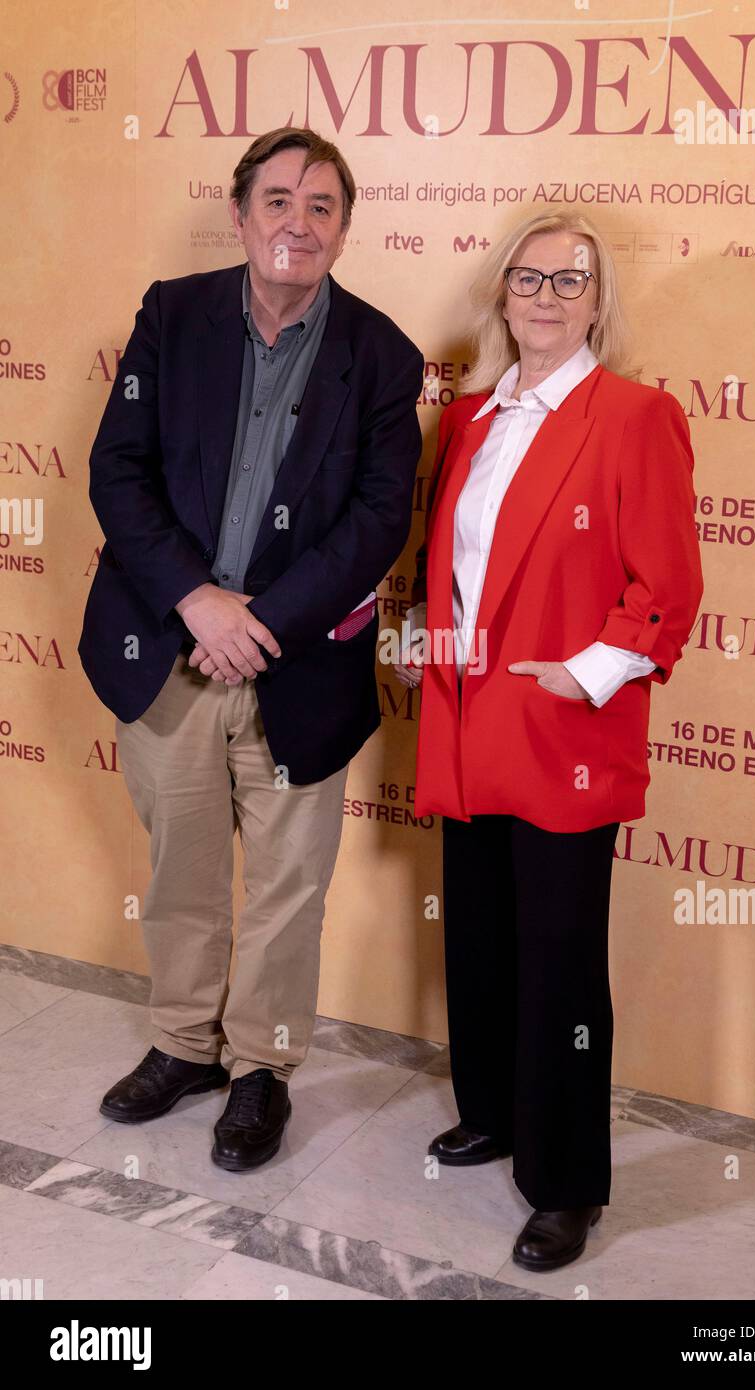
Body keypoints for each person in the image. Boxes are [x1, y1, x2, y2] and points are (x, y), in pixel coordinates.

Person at [79, 127, 424, 1172]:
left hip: (298, 669)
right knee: (179, 869)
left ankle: (262, 1068)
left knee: (286, 887)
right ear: (239, 216)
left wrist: (259, 621)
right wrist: (197, 601)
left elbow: (375, 521)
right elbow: (116, 472)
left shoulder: (381, 354)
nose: (296, 222)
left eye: (320, 206)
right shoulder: (171, 318)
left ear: (343, 227)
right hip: (168, 651)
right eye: (277, 200)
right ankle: (183, 1045)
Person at [396, 211, 703, 1270]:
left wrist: (583, 673)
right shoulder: (472, 418)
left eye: (566, 280)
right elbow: (455, 566)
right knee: (477, 932)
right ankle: (492, 1112)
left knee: (560, 962)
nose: (542, 295)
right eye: (525, 277)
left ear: (595, 300)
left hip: (563, 727)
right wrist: (421, 640)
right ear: (502, 292)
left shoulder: (633, 416)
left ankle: (564, 1180)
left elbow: (663, 589)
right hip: (467, 722)